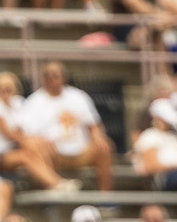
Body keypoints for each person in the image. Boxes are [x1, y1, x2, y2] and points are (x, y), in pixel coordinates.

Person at [20, 62, 113, 191]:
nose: (52, 79)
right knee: (37, 147)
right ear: (43, 79)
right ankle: (51, 195)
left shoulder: (79, 96)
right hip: (54, 153)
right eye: (48, 76)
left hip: (81, 150)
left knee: (105, 145)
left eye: (55, 75)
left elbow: (94, 125)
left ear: (64, 77)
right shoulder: (34, 101)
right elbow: (27, 135)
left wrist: (98, 137)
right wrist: (42, 141)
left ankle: (106, 198)